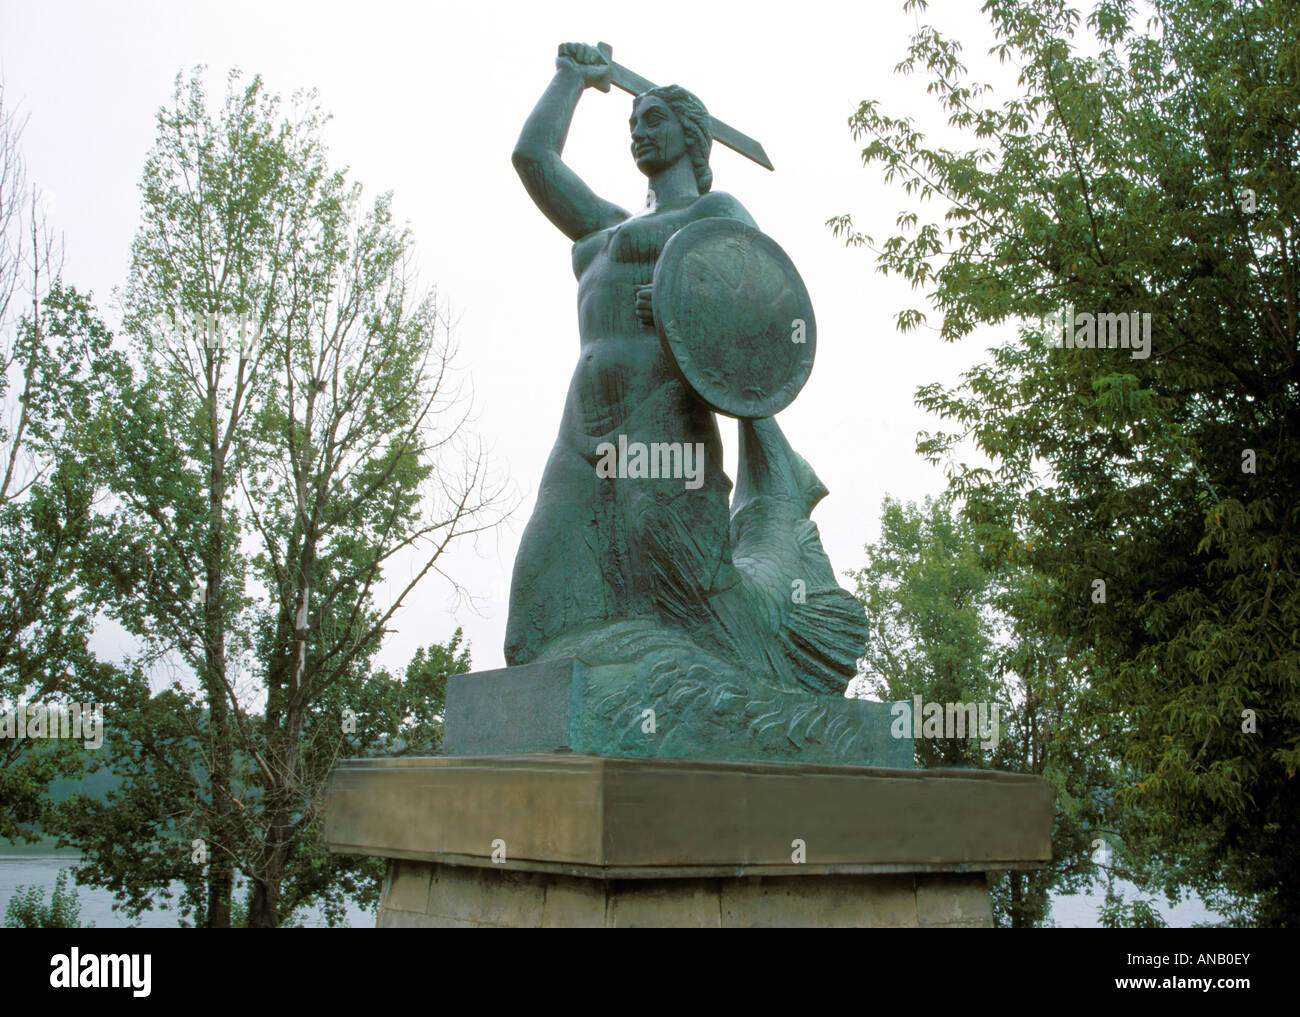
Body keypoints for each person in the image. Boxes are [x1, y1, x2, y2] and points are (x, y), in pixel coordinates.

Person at [506, 42, 864, 695]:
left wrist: (683, 311)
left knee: (692, 614)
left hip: (663, 426)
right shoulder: (603, 226)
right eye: (633, 123)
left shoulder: (712, 213)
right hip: (580, 438)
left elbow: (757, 312)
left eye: (653, 120)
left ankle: (777, 664)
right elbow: (533, 159)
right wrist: (572, 80)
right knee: (533, 632)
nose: (639, 132)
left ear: (691, 135)